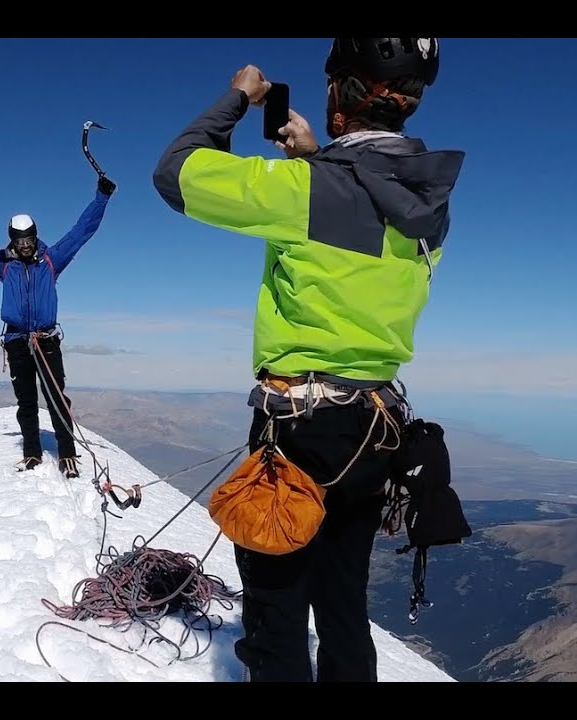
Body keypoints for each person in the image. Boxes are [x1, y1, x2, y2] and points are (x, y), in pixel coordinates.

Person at [151, 38, 465, 682]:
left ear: (338, 98)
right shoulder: (429, 206)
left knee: (276, 610)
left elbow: (176, 172)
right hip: (376, 428)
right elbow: (363, 215)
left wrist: (241, 95)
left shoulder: (305, 191)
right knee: (343, 603)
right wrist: (321, 157)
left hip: (300, 430)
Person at [0, 175, 116, 478]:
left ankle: (67, 453)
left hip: (46, 340)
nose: (24, 246)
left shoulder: (51, 260)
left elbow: (82, 231)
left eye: (29, 240)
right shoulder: (4, 264)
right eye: (19, 241)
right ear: (11, 241)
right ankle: (32, 452)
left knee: (56, 395)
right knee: (27, 400)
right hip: (17, 341)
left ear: (35, 237)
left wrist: (102, 197)